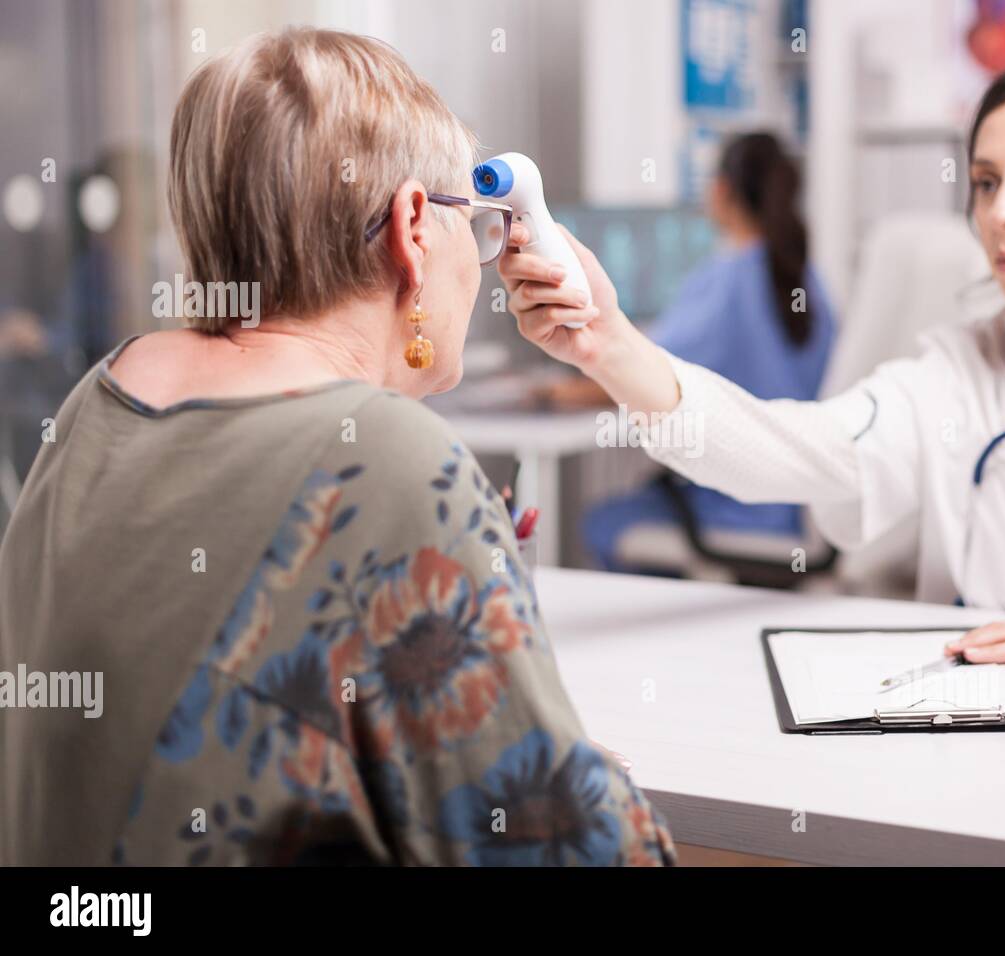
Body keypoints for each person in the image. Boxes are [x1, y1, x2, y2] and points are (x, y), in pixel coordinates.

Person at [0, 28, 674, 867]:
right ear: (415, 227)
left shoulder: (100, 398)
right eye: (481, 226)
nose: (487, 257)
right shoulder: (390, 463)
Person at [499, 51, 1005, 674]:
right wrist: (608, 345)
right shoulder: (952, 377)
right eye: (985, 183)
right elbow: (790, 452)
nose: (1001, 212)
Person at [571, 132, 836, 573]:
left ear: (721, 191)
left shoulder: (726, 281)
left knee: (602, 521)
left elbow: (635, 369)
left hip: (734, 506)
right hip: (793, 507)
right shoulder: (811, 283)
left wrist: (552, 394)